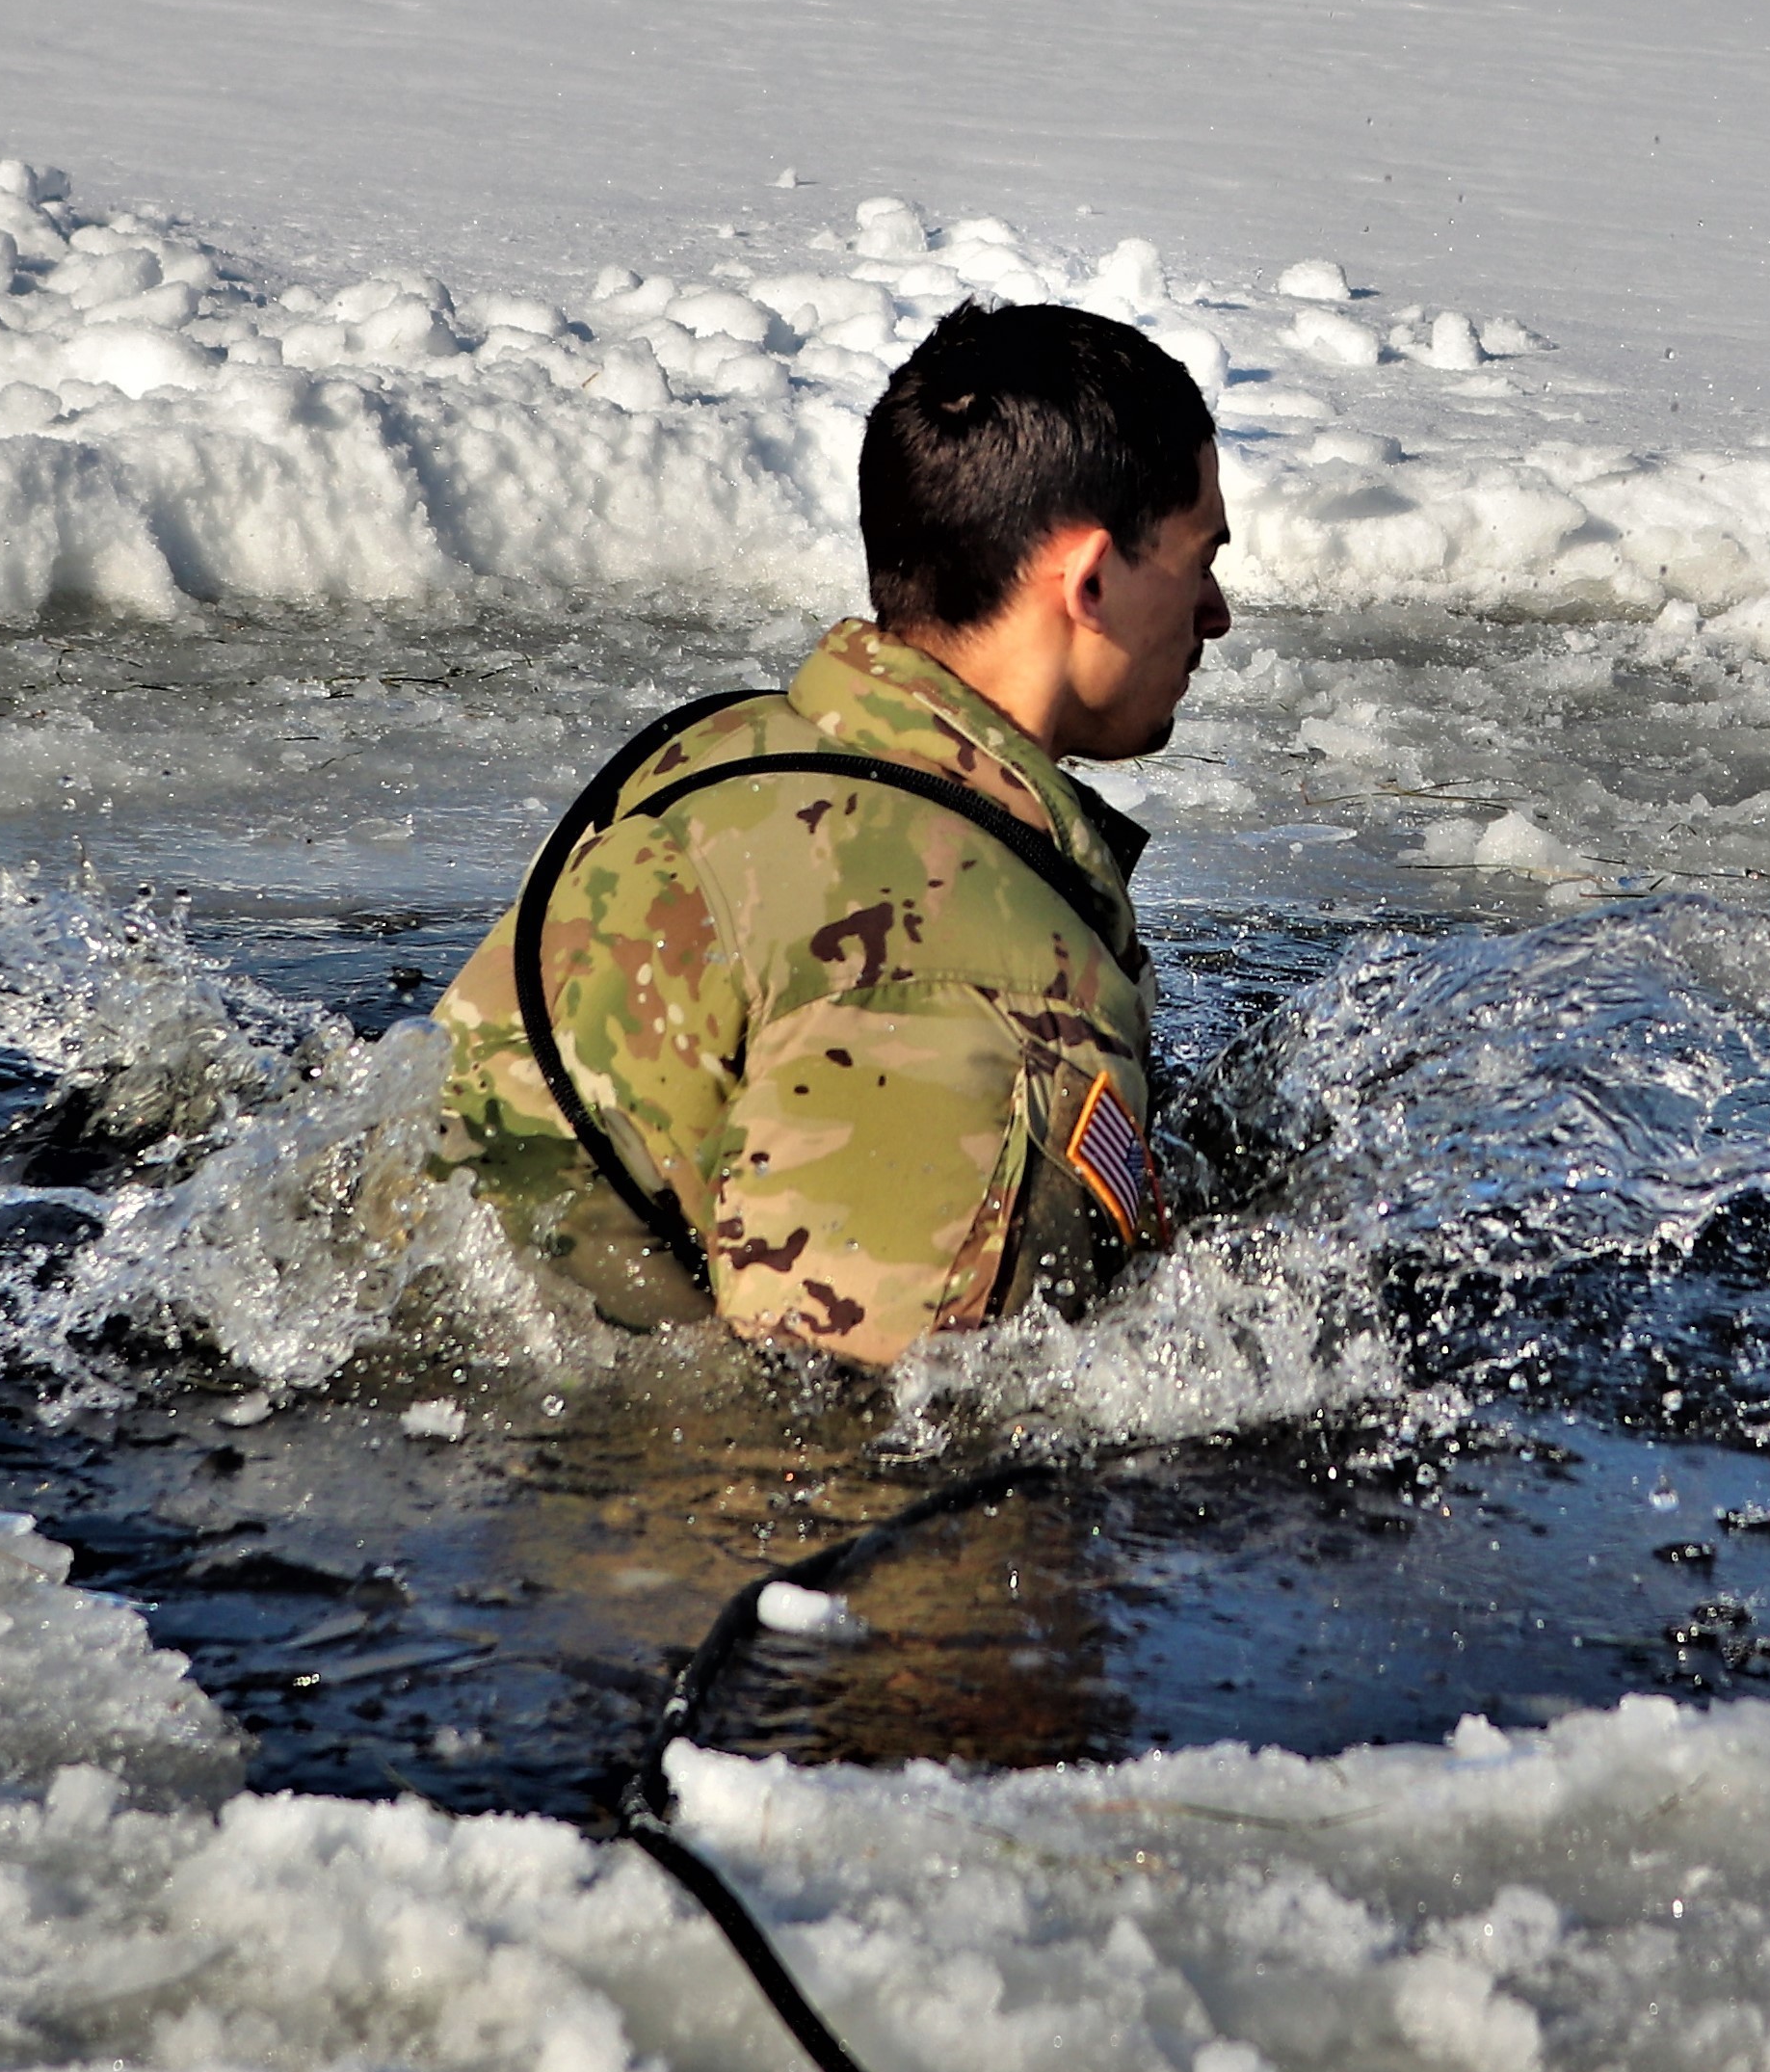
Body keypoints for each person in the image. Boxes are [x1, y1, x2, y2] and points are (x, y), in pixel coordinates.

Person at [425, 300, 1231, 1364]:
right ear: (1089, 581)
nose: (1216, 611)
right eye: (1199, 558)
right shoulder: (970, 965)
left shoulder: (726, 757)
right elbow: (857, 1429)